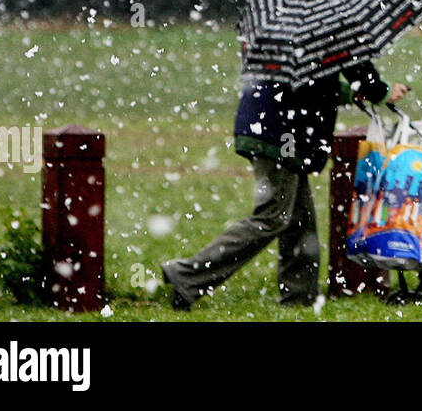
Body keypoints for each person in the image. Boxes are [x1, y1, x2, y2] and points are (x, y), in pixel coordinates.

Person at [161, 59, 408, 309]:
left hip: (271, 124)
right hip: (278, 131)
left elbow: (312, 84)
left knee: (299, 219)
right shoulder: (320, 32)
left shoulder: (290, 37)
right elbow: (317, 82)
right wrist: (378, 90)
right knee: (273, 217)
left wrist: (359, 91)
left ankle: (299, 297)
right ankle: (186, 275)